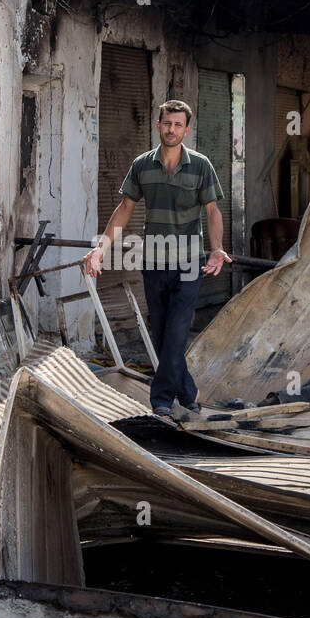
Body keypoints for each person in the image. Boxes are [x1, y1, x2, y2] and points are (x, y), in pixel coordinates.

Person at [83, 99, 231, 417]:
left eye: (178, 125)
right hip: (153, 263)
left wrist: (216, 247)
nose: (172, 129)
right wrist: (102, 247)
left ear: (186, 129)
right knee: (162, 333)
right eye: (167, 123)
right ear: (158, 125)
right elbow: (125, 208)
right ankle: (189, 392)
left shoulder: (201, 165)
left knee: (177, 331)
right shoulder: (142, 165)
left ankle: (161, 399)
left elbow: (212, 211)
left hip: (189, 262)